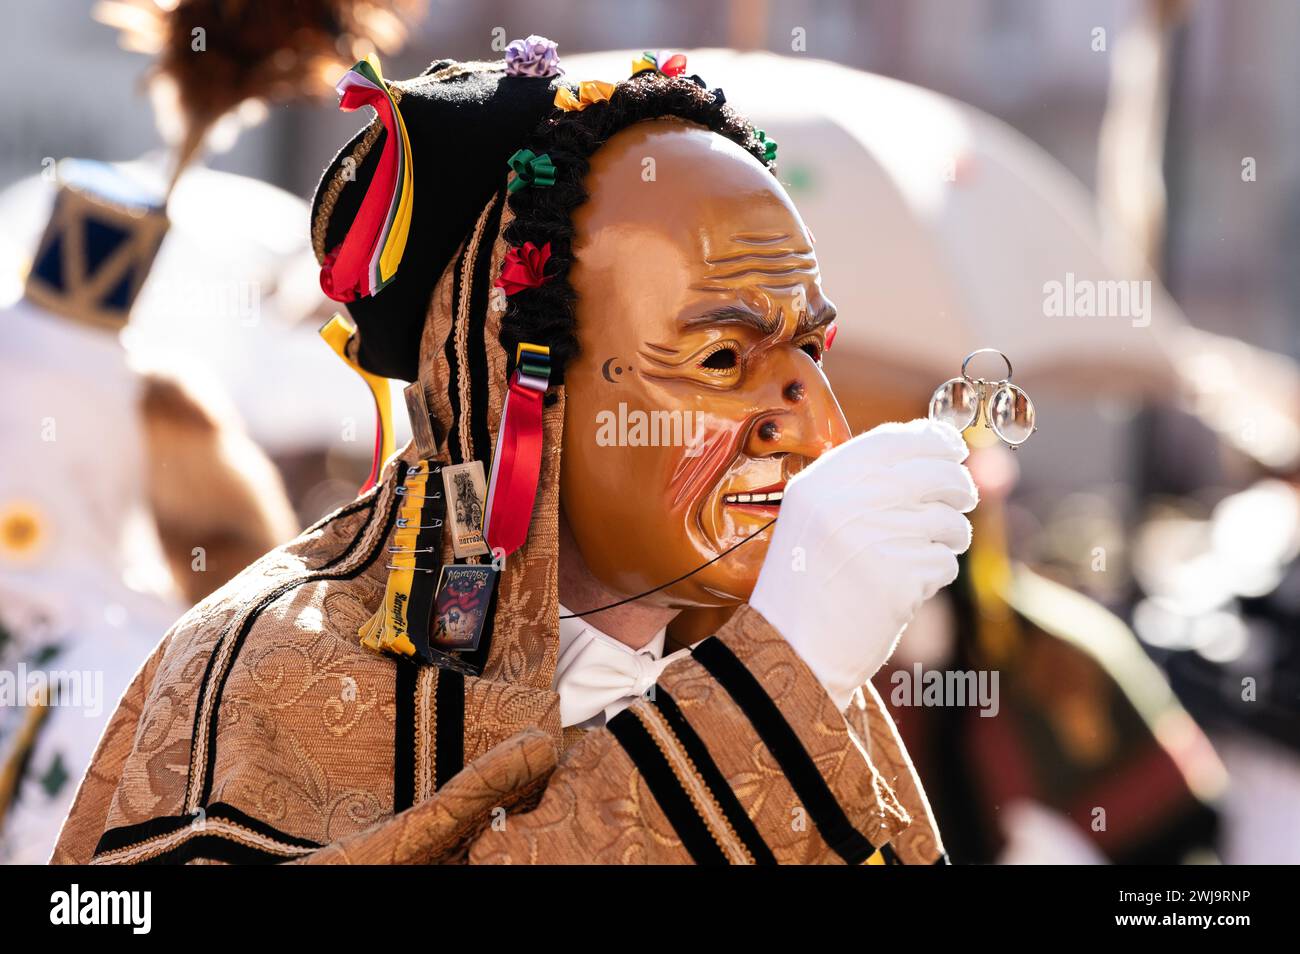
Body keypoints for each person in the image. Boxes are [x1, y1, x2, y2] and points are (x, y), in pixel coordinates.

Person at [54, 41, 976, 865]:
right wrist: (767, 700)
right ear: (520, 386)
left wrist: (787, 676)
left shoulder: (799, 669)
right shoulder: (270, 673)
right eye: (723, 357)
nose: (821, 429)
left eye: (810, 352)